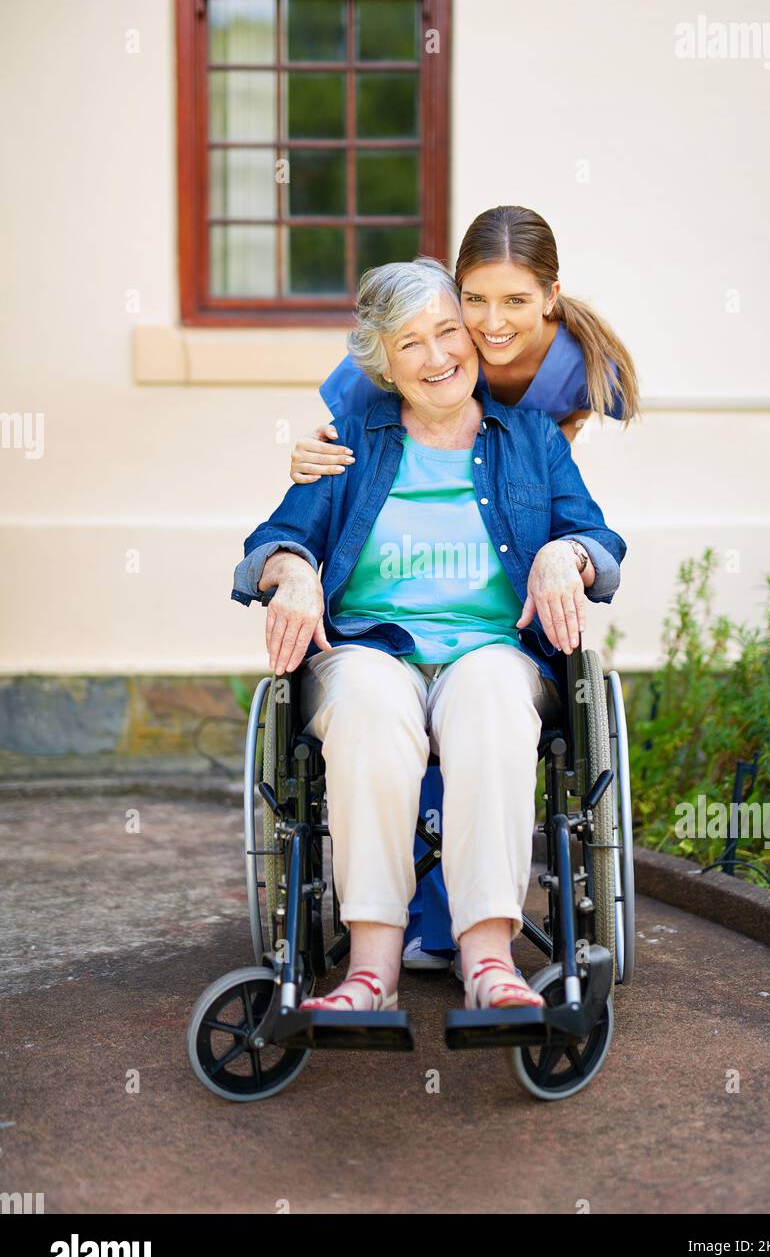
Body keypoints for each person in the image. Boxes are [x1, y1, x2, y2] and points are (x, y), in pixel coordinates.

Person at [232, 258, 627, 1013]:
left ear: (473, 338)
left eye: (449, 332)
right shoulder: (351, 440)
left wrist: (561, 553)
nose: (437, 356)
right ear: (383, 363)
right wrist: (293, 572)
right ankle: (370, 971)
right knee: (373, 701)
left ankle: (488, 960)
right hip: (370, 653)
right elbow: (275, 538)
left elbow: (596, 537)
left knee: (485, 691)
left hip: (495, 656)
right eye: (409, 343)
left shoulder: (530, 438)